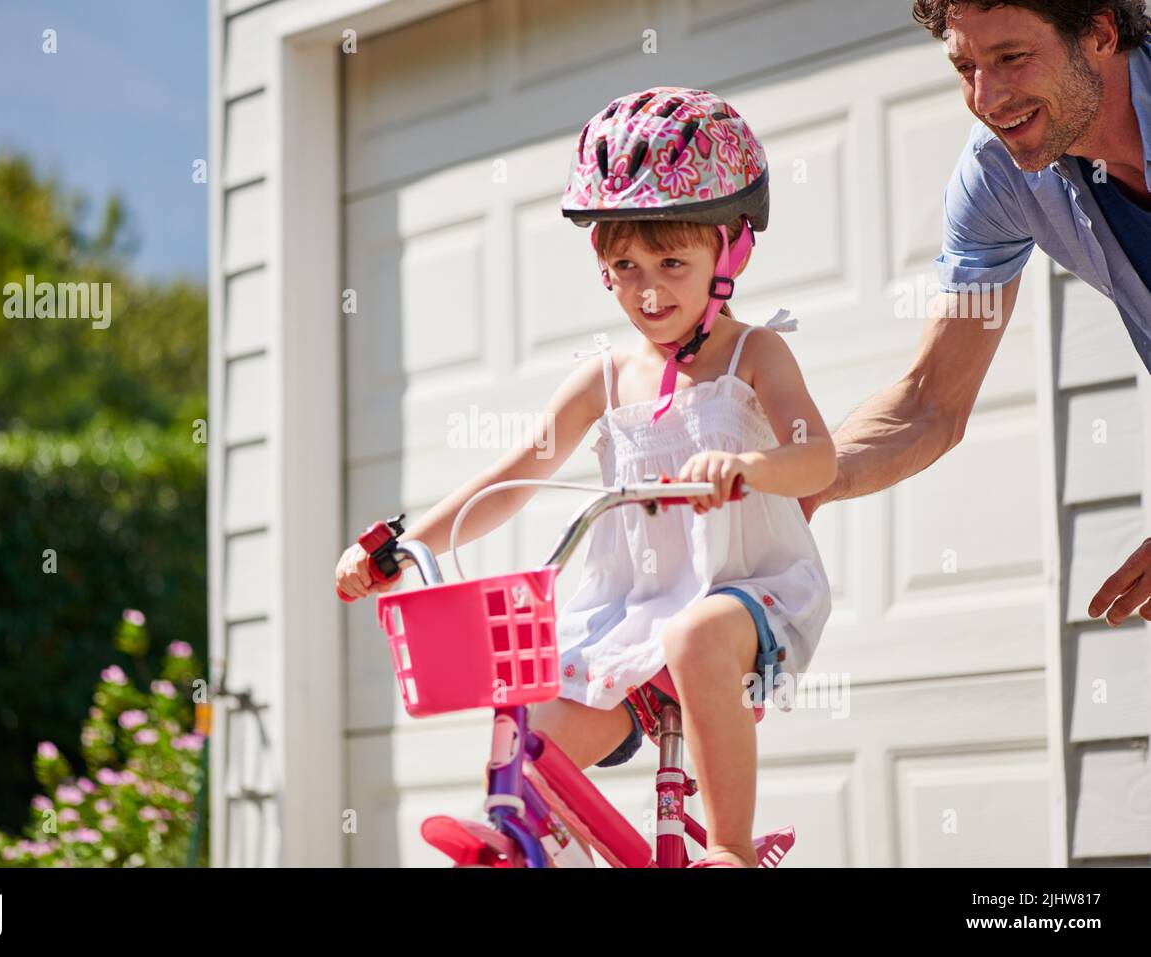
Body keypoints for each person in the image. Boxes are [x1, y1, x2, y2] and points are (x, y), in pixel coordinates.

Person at [336, 87, 835, 868]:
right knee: (530, 740)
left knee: (696, 634)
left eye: (673, 262)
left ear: (728, 251)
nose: (648, 289)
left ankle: (732, 850)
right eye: (626, 265)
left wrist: (748, 467)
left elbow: (818, 457)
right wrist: (397, 545)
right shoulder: (600, 380)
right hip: (630, 616)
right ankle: (522, 844)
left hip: (749, 594)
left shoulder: (755, 357)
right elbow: (509, 480)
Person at [801, 1, 1151, 630]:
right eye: (965, 66)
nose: (986, 98)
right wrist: (815, 476)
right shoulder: (997, 175)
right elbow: (931, 401)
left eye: (1011, 58)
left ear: (1101, 31)